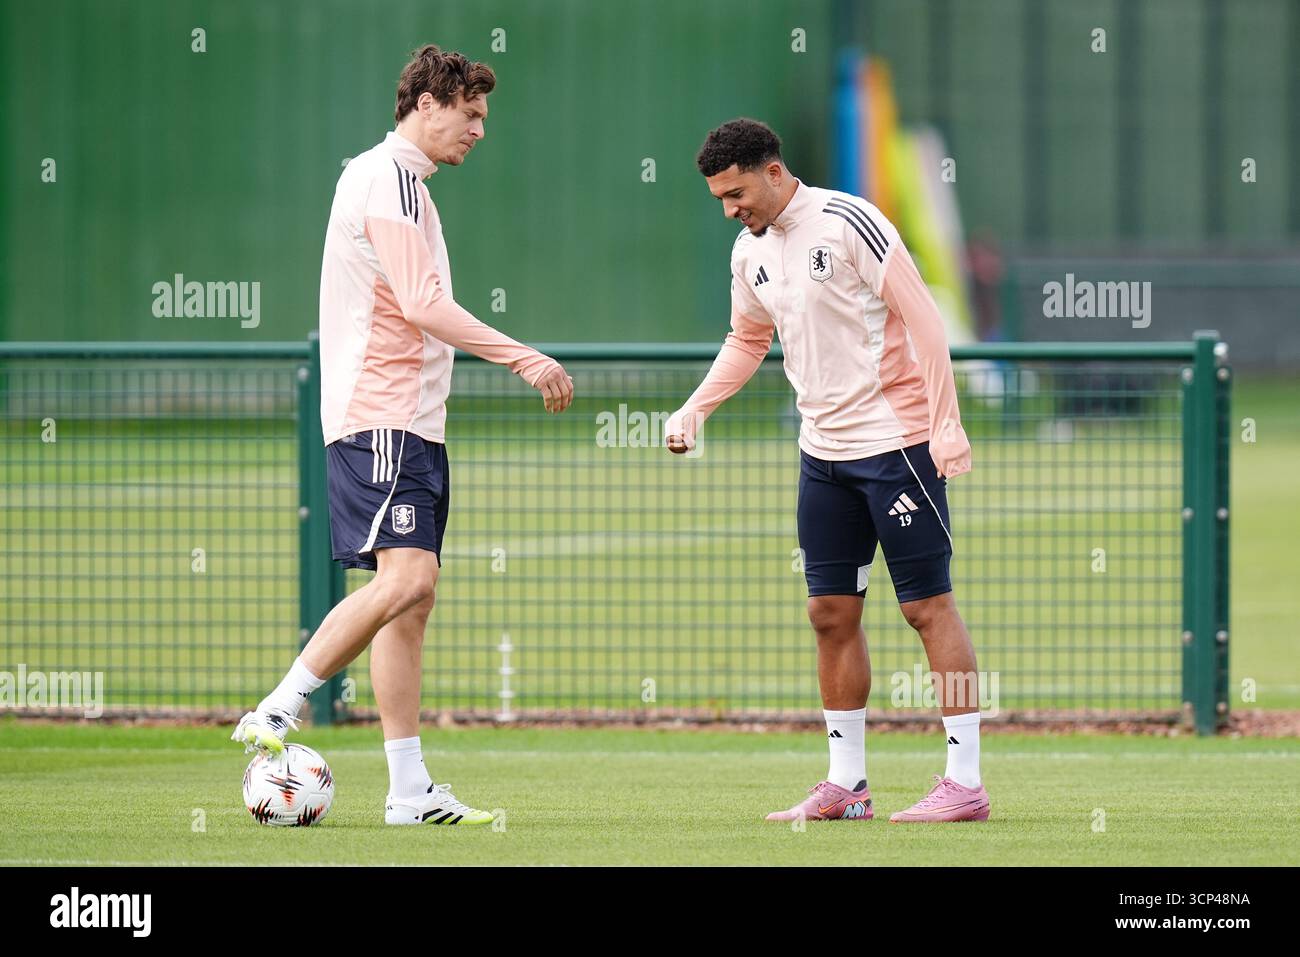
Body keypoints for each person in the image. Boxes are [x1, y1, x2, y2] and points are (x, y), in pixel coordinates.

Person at [232, 45, 573, 827]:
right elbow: (422, 302)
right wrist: (524, 357)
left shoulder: (405, 184)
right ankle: (278, 709)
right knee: (408, 579)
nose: (480, 130)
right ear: (427, 103)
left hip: (412, 421)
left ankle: (408, 791)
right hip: (380, 418)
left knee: (410, 602)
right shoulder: (385, 178)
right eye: (471, 114)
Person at [665, 119, 989, 823]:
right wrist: (695, 409)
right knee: (828, 612)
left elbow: (925, 318)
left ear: (774, 171)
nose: (730, 208)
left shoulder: (849, 221)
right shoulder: (747, 251)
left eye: (737, 192)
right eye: (719, 198)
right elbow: (748, 339)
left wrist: (947, 421)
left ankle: (964, 782)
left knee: (926, 606)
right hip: (823, 457)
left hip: (897, 444)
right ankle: (849, 785)